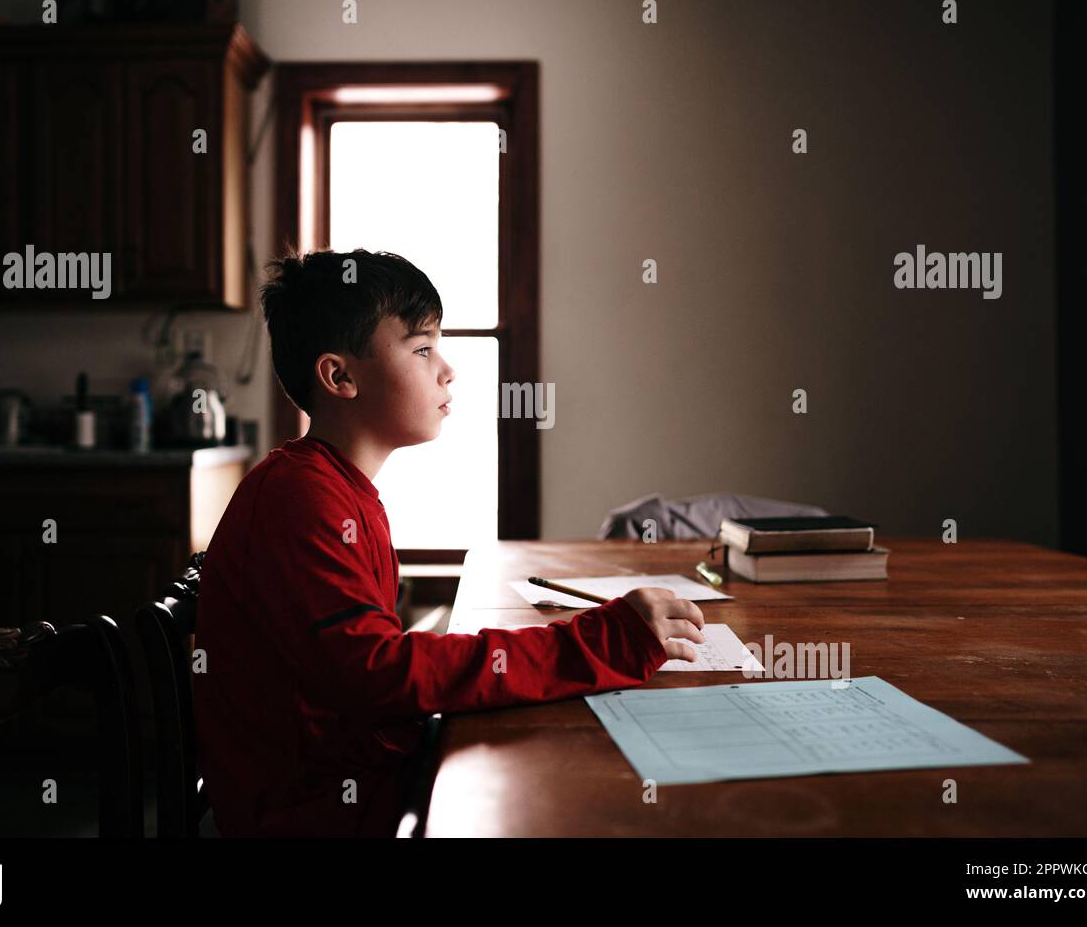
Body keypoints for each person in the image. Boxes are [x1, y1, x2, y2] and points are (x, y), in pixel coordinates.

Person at [192, 247, 705, 836]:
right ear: (339, 376)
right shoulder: (302, 498)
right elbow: (377, 672)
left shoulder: (331, 488)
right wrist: (599, 643)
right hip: (314, 813)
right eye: (421, 348)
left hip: (343, 776)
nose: (448, 369)